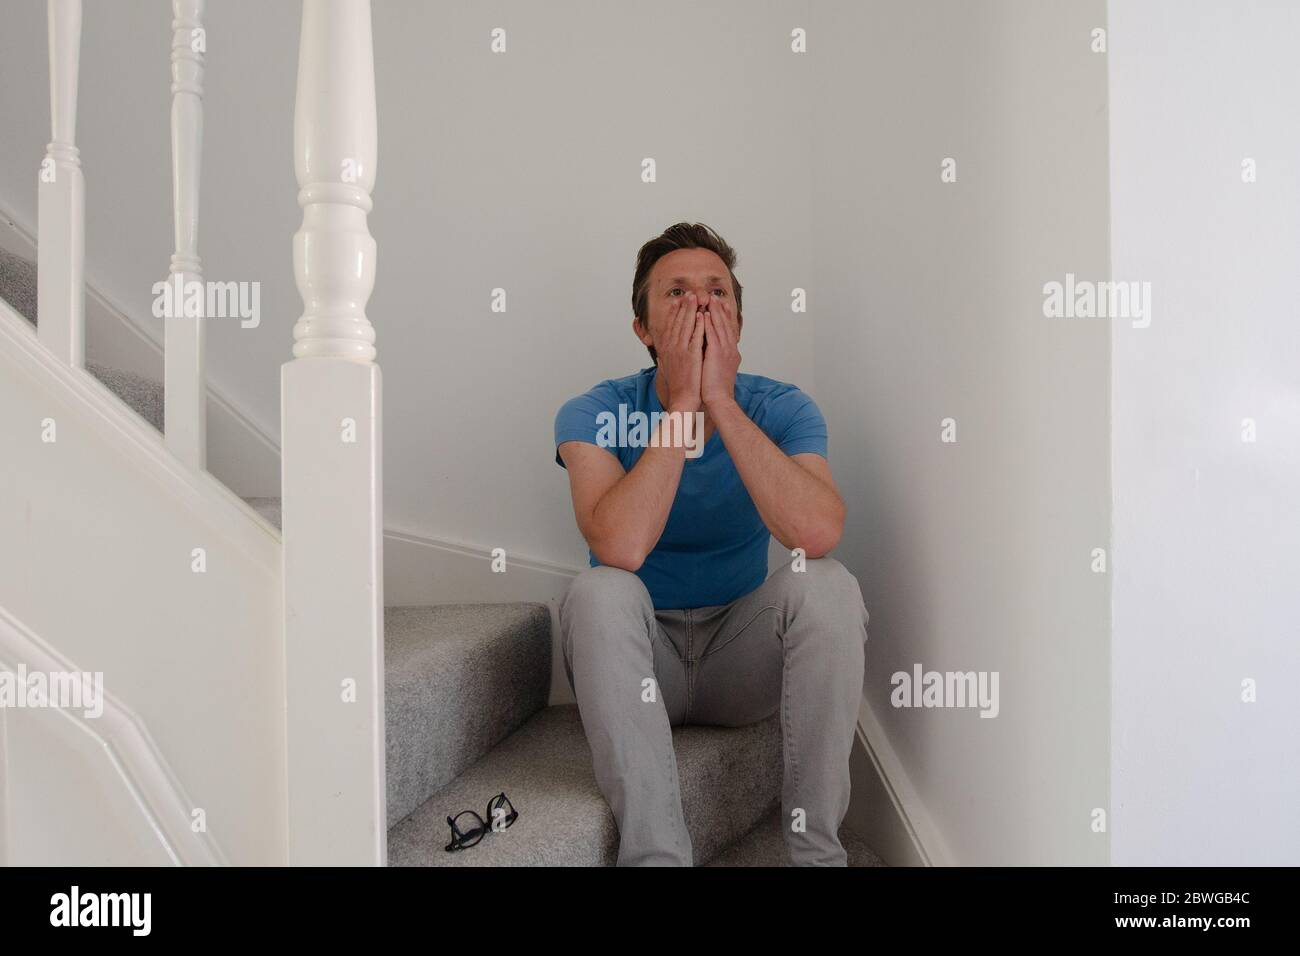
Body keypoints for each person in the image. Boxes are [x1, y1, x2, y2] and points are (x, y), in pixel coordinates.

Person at [553, 222, 870, 866]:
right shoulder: (593, 412)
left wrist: (720, 402)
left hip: (740, 659)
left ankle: (817, 858)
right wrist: (682, 407)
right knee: (597, 589)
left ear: (739, 320)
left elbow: (817, 532)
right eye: (676, 293)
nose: (700, 304)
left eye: (716, 292)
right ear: (642, 328)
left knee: (828, 583)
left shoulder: (783, 407)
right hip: (642, 664)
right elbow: (621, 545)